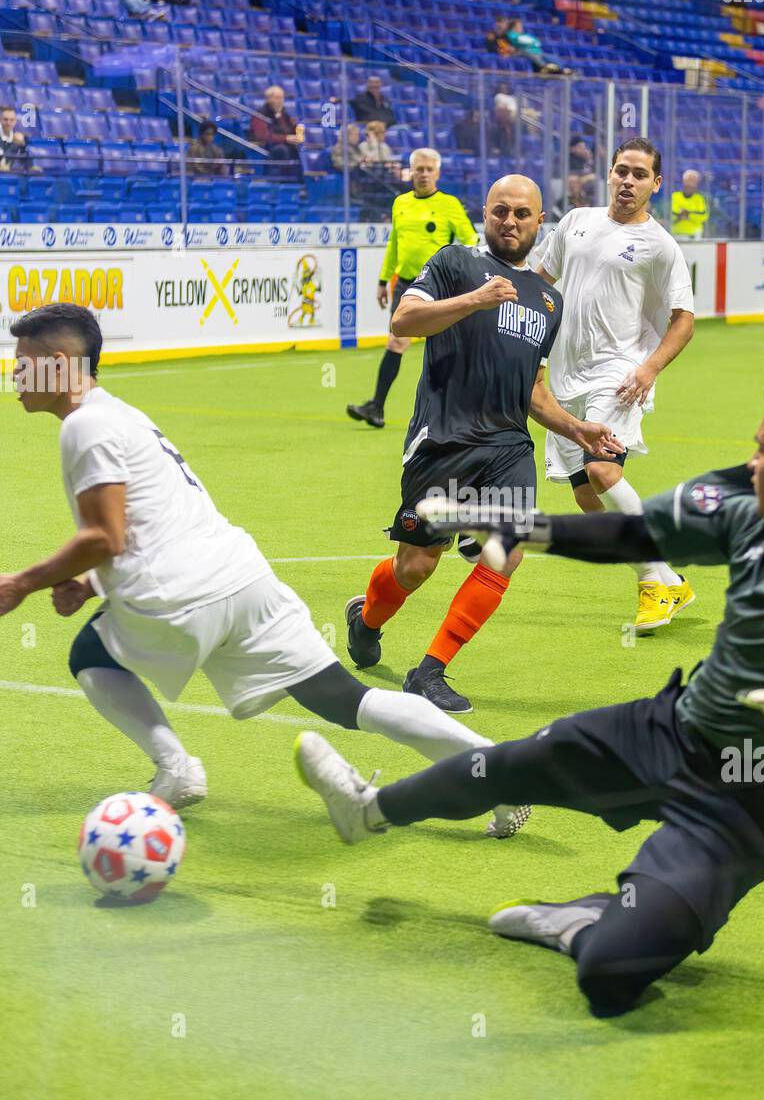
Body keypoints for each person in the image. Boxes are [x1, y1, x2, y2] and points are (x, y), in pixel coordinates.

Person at [295, 379, 764, 1019]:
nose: (747, 460)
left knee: (611, 976)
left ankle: (587, 920)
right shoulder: (756, 503)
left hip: (757, 799)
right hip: (676, 728)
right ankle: (367, 811)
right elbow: (636, 536)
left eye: (761, 450)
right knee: (507, 766)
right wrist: (524, 527)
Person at [0, 304, 528, 841]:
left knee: (90, 655)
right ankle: (497, 772)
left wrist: (22, 583)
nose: (14, 374)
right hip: (241, 577)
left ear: (60, 363)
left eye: (23, 363)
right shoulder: (121, 414)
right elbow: (154, 517)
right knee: (349, 701)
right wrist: (89, 580)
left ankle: (176, 768)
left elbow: (104, 537)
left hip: (179, 594)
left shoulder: (84, 426)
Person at [342, 174, 623, 715]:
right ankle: (367, 617)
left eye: (522, 214)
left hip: (507, 446)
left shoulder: (548, 301)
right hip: (442, 440)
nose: (511, 221)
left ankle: (430, 671)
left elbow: (534, 392)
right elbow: (404, 318)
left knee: (509, 547)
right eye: (501, 211)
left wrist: (576, 429)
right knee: (417, 567)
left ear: (541, 223)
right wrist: (475, 298)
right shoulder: (454, 264)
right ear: (485, 214)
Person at [535, 137, 696, 630]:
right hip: (564, 376)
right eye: (621, 170)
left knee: (604, 472)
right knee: (586, 495)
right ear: (609, 174)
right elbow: (541, 280)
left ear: (656, 183)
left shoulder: (660, 245)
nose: (628, 180)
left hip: (619, 373)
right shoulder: (576, 221)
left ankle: (650, 582)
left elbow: (684, 319)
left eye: (640, 174)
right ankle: (671, 581)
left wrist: (648, 369)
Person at [346, 147, 476, 430]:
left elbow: (470, 240)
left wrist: (463, 274)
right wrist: (383, 280)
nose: (424, 174)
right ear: (411, 172)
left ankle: (455, 413)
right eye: (419, 169)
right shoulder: (400, 203)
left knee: (445, 350)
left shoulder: (450, 204)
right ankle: (377, 407)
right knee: (395, 341)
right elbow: (394, 243)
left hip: (440, 285)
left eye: (429, 170)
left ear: (438, 173)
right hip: (406, 284)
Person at [250, 85, 305, 175]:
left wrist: (298, 131)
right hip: (268, 147)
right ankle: (285, 179)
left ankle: (300, 180)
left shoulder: (284, 114)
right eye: (277, 98)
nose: (280, 101)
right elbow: (262, 136)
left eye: (281, 98)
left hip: (286, 145)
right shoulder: (260, 115)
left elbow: (293, 128)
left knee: (300, 149)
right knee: (282, 150)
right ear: (268, 99)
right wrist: (285, 138)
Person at [670, 168, 709, 239]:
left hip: (695, 236)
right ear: (683, 181)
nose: (691, 184)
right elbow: (671, 215)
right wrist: (686, 214)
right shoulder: (675, 196)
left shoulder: (699, 198)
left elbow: (703, 217)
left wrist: (687, 214)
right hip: (676, 235)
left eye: (694, 181)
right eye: (689, 180)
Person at [0, 105, 29, 172]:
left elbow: (24, 160)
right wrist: (15, 145)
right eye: (5, 119)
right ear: (0, 120)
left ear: (15, 121)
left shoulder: (18, 138)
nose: (8, 123)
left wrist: (22, 145)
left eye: (11, 120)